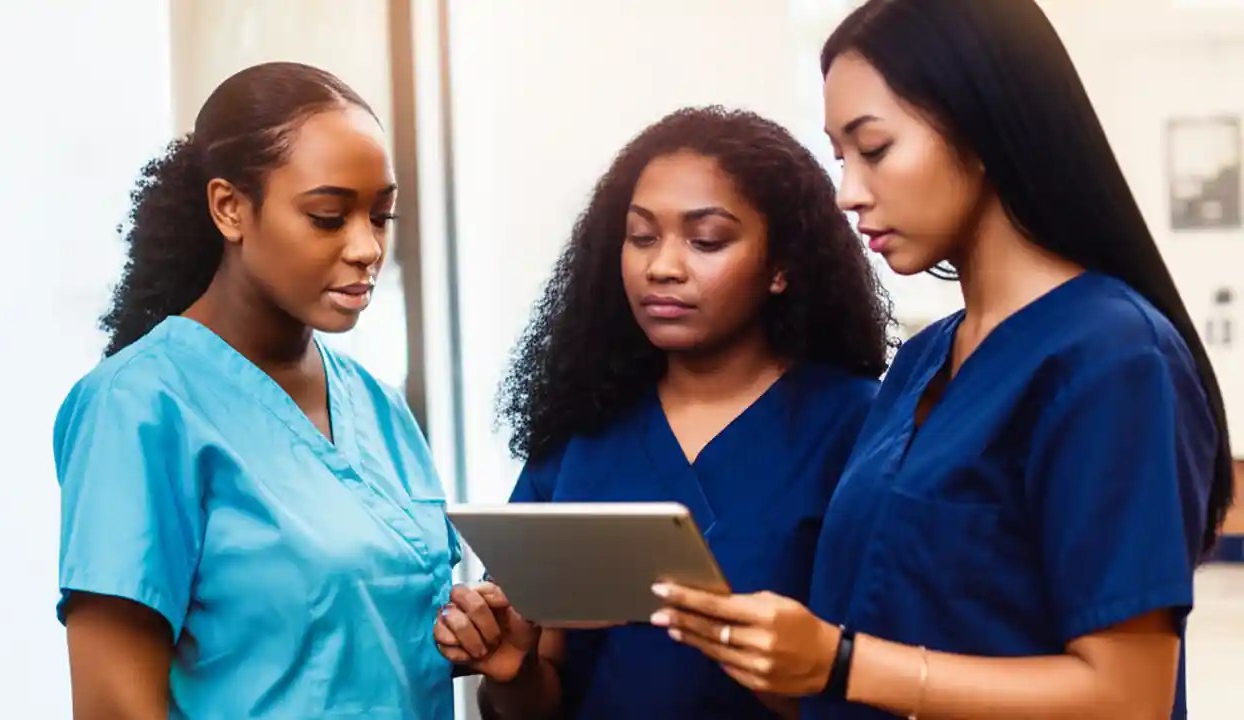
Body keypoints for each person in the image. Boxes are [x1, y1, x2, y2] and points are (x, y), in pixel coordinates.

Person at [650, 2, 1235, 719]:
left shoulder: (1112, 357)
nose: (848, 193)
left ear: (979, 126)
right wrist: (760, 646)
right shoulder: (924, 361)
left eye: (875, 149)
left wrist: (840, 661)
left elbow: (1126, 698)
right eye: (839, 157)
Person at [435, 106, 892, 719]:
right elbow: (534, 702)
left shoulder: (863, 430)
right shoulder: (582, 434)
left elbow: (879, 686)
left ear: (781, 266)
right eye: (642, 236)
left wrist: (750, 652)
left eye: (706, 240)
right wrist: (513, 672)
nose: (662, 267)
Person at [54, 62, 458, 719]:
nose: (366, 248)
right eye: (329, 217)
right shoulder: (139, 407)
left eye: (381, 216)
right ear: (230, 208)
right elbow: (112, 706)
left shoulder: (381, 409)